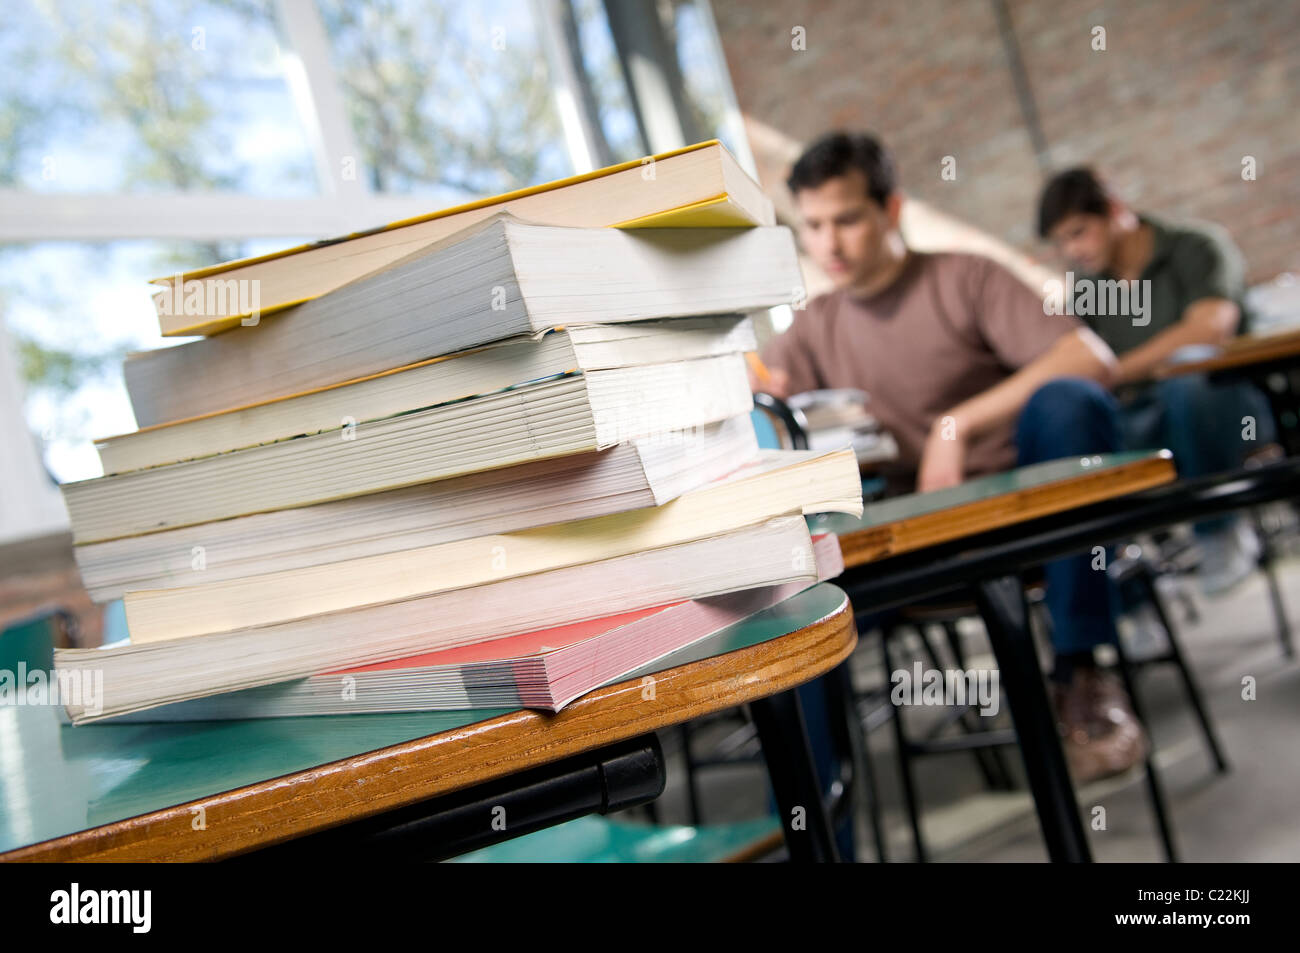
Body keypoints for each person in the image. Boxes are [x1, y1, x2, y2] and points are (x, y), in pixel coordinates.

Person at [758, 131, 1147, 787]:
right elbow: (759, 407)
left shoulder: (966, 277)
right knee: (792, 604)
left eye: (847, 220)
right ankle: (812, 819)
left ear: (891, 210)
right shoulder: (813, 325)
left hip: (1028, 521)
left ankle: (1081, 669)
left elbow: (1092, 358)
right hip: (909, 543)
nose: (829, 245)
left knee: (1070, 401)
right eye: (814, 226)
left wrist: (955, 425)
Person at [1038, 168, 1274, 593]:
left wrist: (1114, 372)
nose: (1072, 250)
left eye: (1079, 232)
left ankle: (1218, 529)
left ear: (1114, 210)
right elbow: (1079, 366)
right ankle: (1129, 594)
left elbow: (1209, 329)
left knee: (1190, 369)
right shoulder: (1088, 289)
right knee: (1069, 426)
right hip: (1140, 421)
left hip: (1222, 407)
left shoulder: (1195, 245)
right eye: (1061, 242)